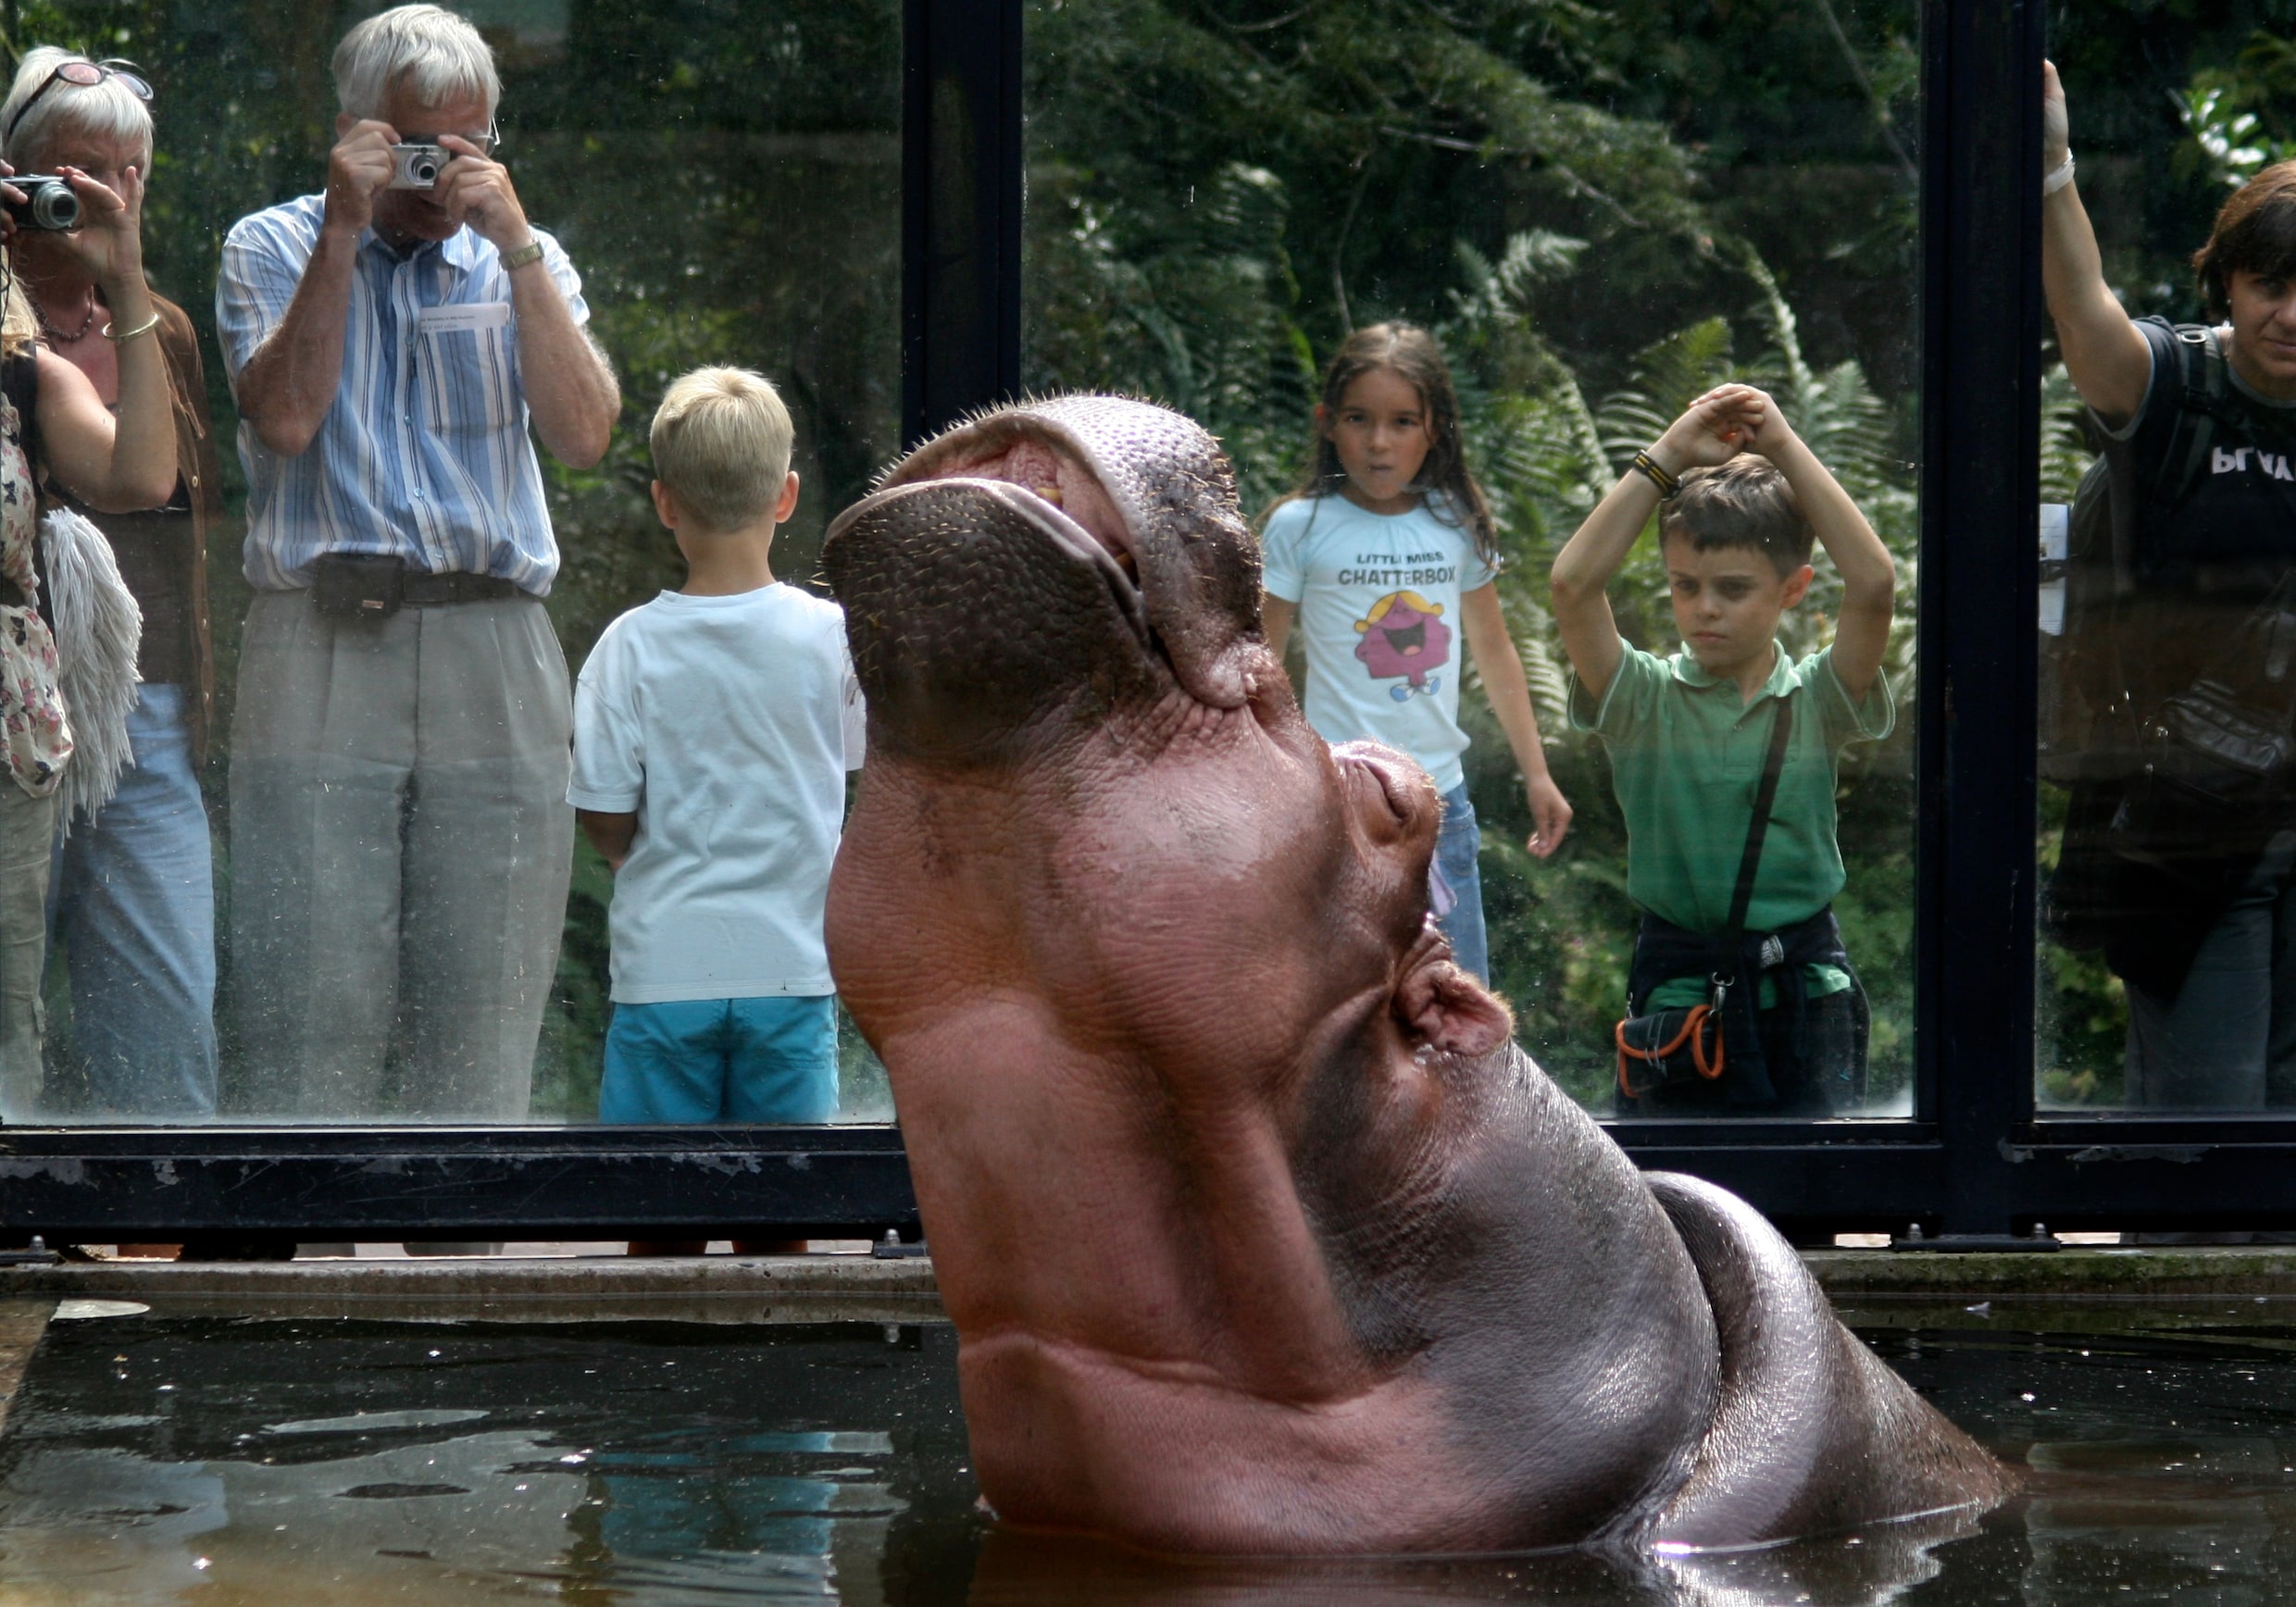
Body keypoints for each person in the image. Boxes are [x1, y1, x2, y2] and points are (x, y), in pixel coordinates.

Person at [216, 5, 619, 1120]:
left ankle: (469, 1263)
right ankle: (308, 1263)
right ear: (355, 130)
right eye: (419, 146)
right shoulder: (271, 243)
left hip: (493, 635)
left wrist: (520, 250)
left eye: (470, 144)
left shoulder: (520, 261)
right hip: (322, 633)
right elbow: (287, 420)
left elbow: (586, 436)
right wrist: (345, 229)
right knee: (308, 981)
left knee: (488, 984)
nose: (444, 174)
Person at [2040, 63, 2296, 1109]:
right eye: (2271, 285)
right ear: (2225, 283)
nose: (2291, 315)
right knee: (2208, 1129)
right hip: (2191, 835)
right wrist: (2054, 171)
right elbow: (2087, 320)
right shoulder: (2175, 392)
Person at [568, 367, 860, 1256]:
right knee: (783, 1226)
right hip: (793, 971)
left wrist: (633, 856)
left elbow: (606, 815)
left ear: (664, 502)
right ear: (787, 496)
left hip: (665, 974)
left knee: (657, 1224)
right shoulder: (835, 637)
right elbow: (855, 775)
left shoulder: (626, 648)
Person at [1549, 384, 1895, 1115]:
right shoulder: (1640, 698)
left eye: (1733, 588)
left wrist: (1785, 448)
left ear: (1793, 589)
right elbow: (1574, 585)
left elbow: (1872, 583)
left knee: (1819, 1205)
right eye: (1686, 585)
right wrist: (1669, 453)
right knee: (1688, 1201)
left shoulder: (1818, 700)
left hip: (1807, 988)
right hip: (1680, 989)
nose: (1705, 607)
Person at [2, 51, 226, 1121]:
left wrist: (124, 276)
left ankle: (163, 1230)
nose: (103, 194)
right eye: (79, 169)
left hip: (144, 708)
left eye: (130, 171)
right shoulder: (12, 335)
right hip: (16, 711)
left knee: (167, 1004)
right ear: (13, 170)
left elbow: (159, 495)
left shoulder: (160, 326)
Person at [1257, 323, 1571, 984]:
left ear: (1435, 430)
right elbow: (1260, 660)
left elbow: (1495, 649)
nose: (1378, 441)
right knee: (1343, 1002)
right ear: (1326, 424)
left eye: (1402, 422)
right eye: (1359, 419)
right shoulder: (1298, 527)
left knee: (1459, 1002)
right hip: (1338, 804)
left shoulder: (1455, 523)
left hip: (1440, 806)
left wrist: (1537, 773)